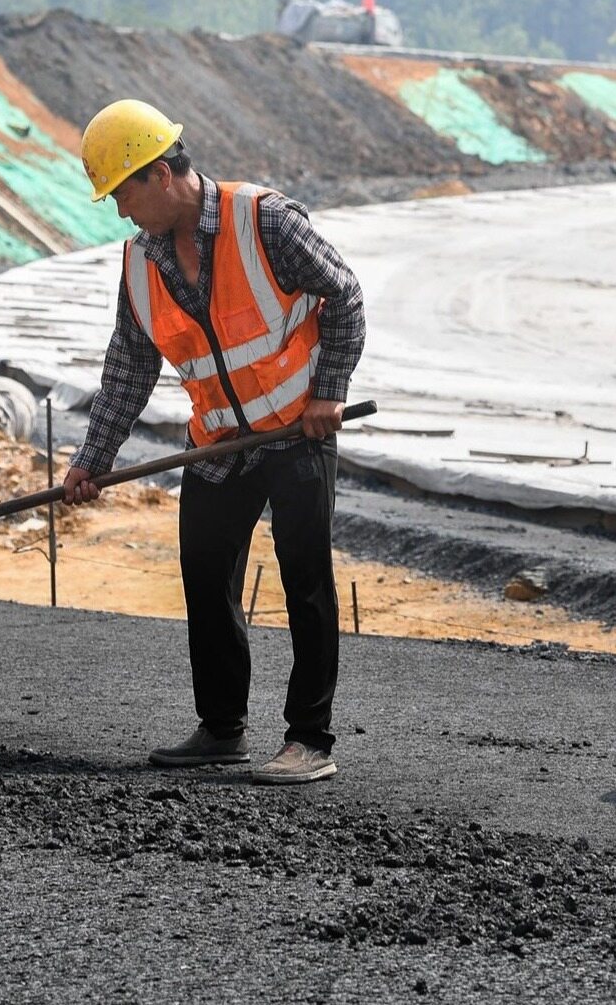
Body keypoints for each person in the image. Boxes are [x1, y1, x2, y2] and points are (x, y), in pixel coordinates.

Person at [62, 99, 366, 785]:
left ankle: (309, 739)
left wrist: (328, 391)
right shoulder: (142, 262)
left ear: (161, 175)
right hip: (219, 444)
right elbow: (129, 368)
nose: (119, 213)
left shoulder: (266, 221)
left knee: (305, 580)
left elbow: (343, 295)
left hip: (296, 430)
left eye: (122, 194)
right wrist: (91, 461)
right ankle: (222, 727)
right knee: (205, 572)